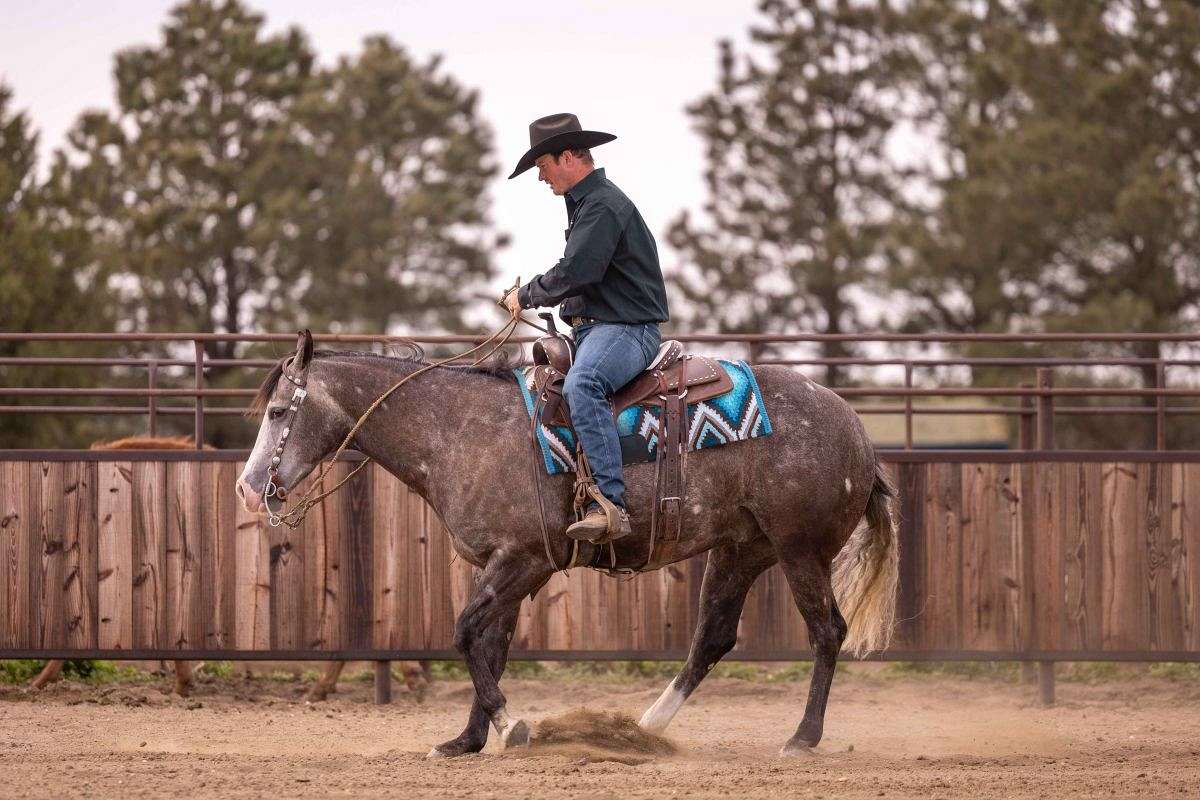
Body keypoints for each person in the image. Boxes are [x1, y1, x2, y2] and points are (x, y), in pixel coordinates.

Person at [502, 113, 669, 544]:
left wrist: (527, 295)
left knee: (584, 385)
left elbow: (578, 271)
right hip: (598, 330)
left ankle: (610, 503)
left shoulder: (603, 206)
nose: (541, 179)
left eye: (542, 167)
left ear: (569, 156)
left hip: (627, 329)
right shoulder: (590, 206)